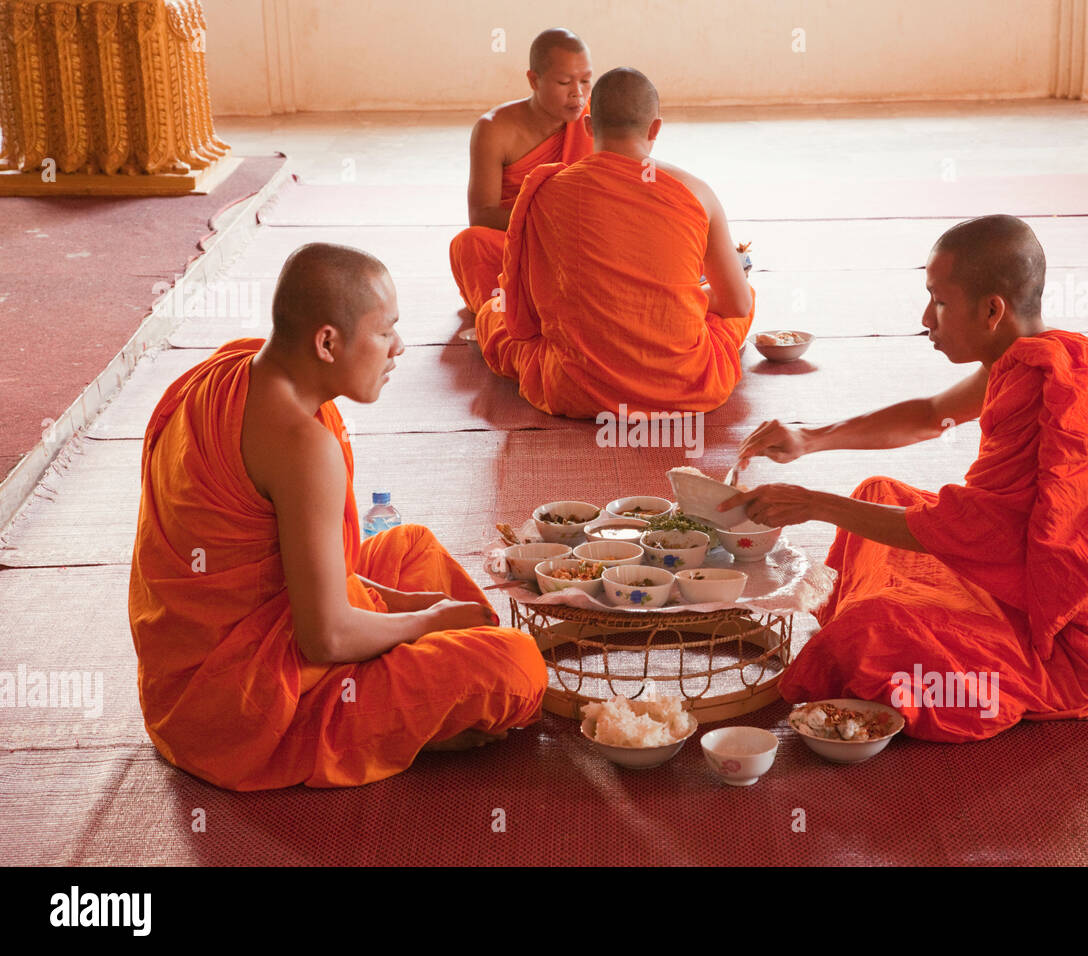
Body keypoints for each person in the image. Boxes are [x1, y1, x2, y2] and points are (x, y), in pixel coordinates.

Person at [721, 215, 1088, 742]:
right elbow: (929, 414)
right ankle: (891, 613)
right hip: (1017, 565)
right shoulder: (1016, 358)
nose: (926, 317)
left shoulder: (1054, 376)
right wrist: (811, 438)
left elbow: (988, 532)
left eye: (939, 301)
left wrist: (815, 504)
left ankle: (889, 625)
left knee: (867, 632)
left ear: (993, 309)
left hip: (1076, 622)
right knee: (877, 493)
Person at [128, 243, 548, 790]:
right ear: (327, 341)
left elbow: (289, 568)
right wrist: (427, 622)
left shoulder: (228, 370)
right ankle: (396, 723)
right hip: (241, 708)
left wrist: (403, 605)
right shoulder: (301, 445)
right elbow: (323, 639)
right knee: (514, 666)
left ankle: (405, 689)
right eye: (384, 331)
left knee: (410, 547)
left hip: (191, 678)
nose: (399, 348)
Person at [475, 67, 755, 418]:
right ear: (655, 129)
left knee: (493, 314)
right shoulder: (697, 193)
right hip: (684, 387)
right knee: (746, 294)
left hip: (577, 387)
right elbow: (738, 306)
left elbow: (529, 311)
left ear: (589, 126)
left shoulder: (547, 189)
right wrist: (695, 300)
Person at [448, 28, 594, 315]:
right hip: (521, 245)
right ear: (534, 80)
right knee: (470, 246)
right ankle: (508, 317)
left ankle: (546, 308)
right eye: (565, 82)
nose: (578, 93)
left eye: (586, 81)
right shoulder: (494, 129)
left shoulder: (593, 120)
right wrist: (548, 218)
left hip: (579, 245)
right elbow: (481, 215)